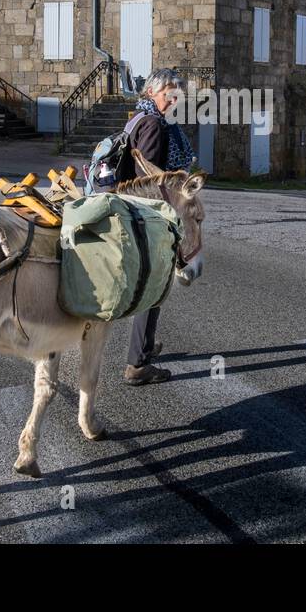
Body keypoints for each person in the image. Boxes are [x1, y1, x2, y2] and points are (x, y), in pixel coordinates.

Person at [120, 67, 195, 386]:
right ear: (151, 92)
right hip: (150, 216)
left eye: (178, 90)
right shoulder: (153, 124)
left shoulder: (141, 117)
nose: (175, 96)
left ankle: (146, 347)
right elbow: (148, 180)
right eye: (169, 90)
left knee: (156, 286)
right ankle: (138, 363)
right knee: (153, 287)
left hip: (142, 213)